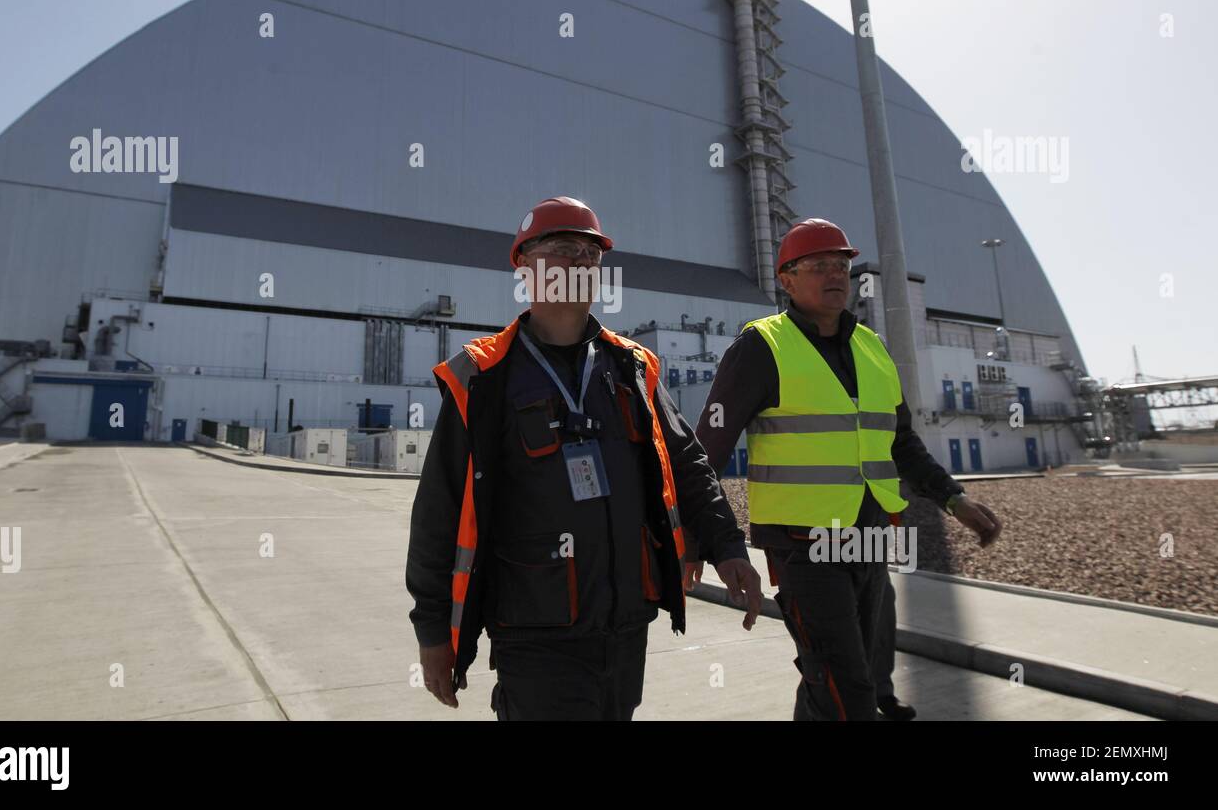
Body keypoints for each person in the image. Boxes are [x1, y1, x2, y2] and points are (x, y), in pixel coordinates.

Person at [406, 196, 762, 720]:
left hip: (624, 628)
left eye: (592, 254)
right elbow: (439, 511)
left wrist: (728, 544)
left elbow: (685, 462)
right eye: (565, 248)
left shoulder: (631, 368)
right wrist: (433, 631)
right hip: (534, 635)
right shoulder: (484, 379)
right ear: (525, 268)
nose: (581, 262)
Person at [689, 217, 1001, 721]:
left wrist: (953, 498)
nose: (835, 275)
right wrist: (701, 541)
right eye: (817, 266)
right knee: (841, 683)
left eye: (841, 266)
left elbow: (901, 442)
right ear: (786, 279)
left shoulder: (873, 349)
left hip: (871, 536)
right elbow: (706, 452)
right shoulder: (760, 347)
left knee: (868, 677)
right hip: (803, 545)